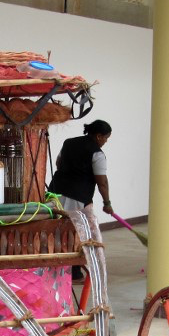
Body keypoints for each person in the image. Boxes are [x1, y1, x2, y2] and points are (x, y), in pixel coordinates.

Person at [48, 120, 114, 282]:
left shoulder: (69, 142)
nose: (106, 141)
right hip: (76, 196)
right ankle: (74, 270)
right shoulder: (97, 153)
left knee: (56, 227)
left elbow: (58, 163)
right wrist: (107, 203)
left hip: (55, 190)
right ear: (98, 136)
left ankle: (54, 266)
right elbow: (102, 181)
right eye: (106, 138)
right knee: (77, 231)